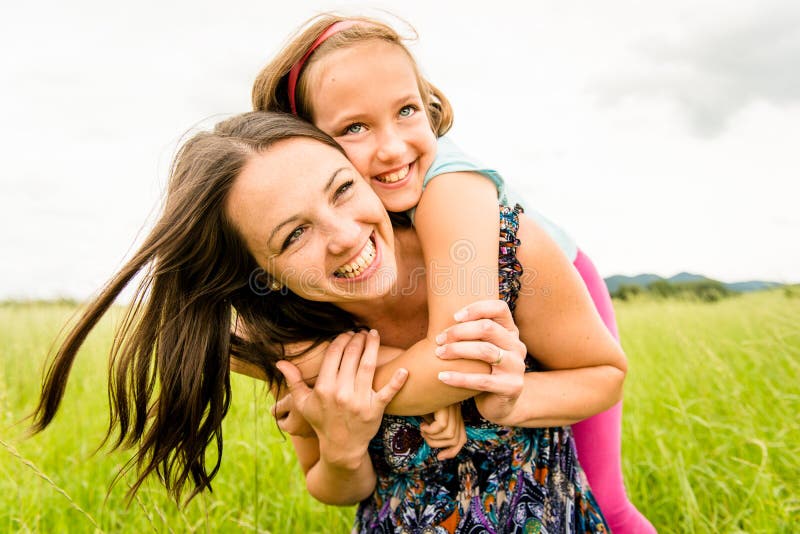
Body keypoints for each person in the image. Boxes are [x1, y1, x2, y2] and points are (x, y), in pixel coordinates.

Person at [33, 112, 619, 532]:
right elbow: (334, 487)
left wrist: (512, 402)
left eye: (342, 190)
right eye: (293, 235)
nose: (343, 237)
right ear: (262, 271)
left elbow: (604, 374)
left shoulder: (499, 252)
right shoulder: (290, 342)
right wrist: (343, 447)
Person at [251, 14, 655, 533]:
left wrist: (338, 380)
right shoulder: (314, 257)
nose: (393, 147)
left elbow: (458, 357)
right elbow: (240, 334)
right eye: (354, 127)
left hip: (554, 282)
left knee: (607, 500)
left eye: (407, 111)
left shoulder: (450, 185)